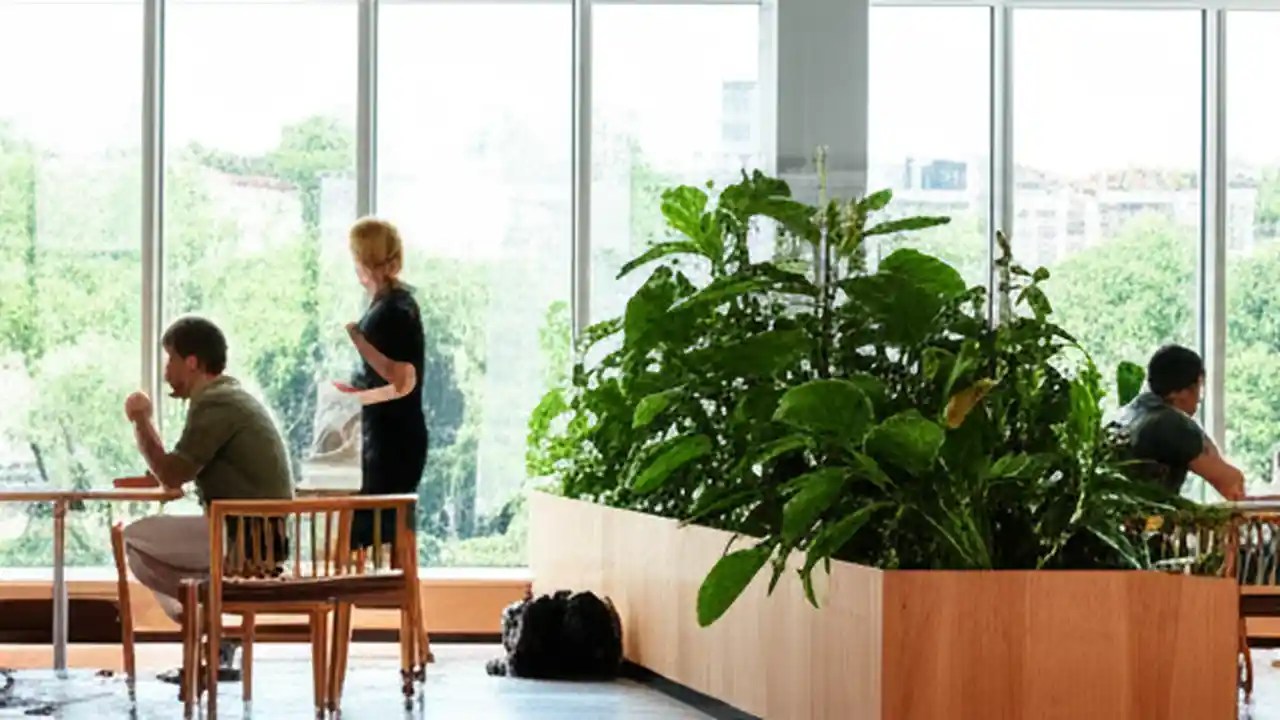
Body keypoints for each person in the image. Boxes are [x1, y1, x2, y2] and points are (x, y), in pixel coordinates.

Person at [120, 316, 294, 683]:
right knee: (142, 555)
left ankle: (211, 632)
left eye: (170, 360)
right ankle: (214, 636)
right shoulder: (228, 398)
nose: (167, 372)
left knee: (131, 538)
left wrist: (140, 420)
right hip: (259, 537)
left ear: (193, 362)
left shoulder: (215, 403)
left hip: (245, 540)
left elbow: (172, 473)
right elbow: (186, 467)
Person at [334, 217, 428, 548]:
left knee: (366, 534)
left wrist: (357, 399)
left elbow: (400, 382)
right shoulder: (395, 305)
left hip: (392, 442)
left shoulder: (393, 311)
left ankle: (348, 594)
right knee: (369, 533)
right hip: (391, 436)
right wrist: (357, 395)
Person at [1114, 344, 1246, 501]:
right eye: (1199, 388)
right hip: (1150, 521)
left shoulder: (1126, 415)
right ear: (1185, 392)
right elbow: (1231, 482)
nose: (1199, 400)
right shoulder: (1171, 424)